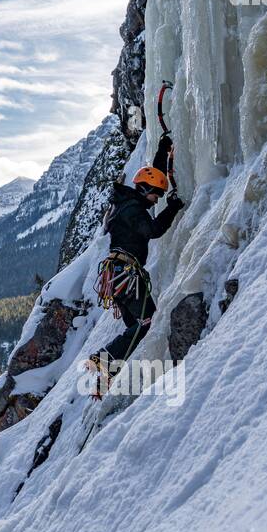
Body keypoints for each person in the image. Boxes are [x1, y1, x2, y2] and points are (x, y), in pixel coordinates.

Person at [86, 166, 185, 391]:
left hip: (118, 275)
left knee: (137, 331)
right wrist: (173, 207)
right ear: (143, 188)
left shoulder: (127, 204)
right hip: (126, 275)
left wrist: (162, 149)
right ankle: (104, 359)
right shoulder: (132, 208)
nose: (156, 199)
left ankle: (108, 377)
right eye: (155, 193)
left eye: (159, 195)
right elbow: (153, 230)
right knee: (147, 323)